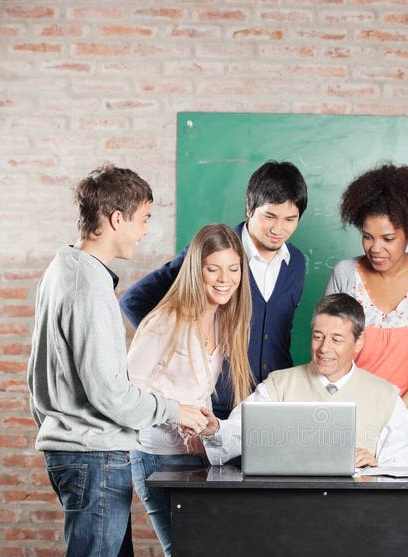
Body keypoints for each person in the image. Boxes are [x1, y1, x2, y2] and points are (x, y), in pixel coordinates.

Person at [27, 164, 208, 557]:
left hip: (76, 448)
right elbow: (108, 391)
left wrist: (60, 428)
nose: (144, 234)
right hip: (94, 454)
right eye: (143, 220)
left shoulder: (63, 270)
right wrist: (171, 409)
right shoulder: (88, 284)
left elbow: (42, 381)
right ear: (115, 217)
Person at [126, 223, 253, 557]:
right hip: (155, 455)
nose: (224, 279)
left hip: (196, 457)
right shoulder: (164, 321)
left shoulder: (223, 320)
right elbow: (129, 396)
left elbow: (195, 394)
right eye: (213, 269)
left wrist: (210, 429)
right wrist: (179, 421)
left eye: (233, 270)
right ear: (195, 271)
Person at [120, 160, 308, 418]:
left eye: (290, 219)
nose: (279, 229)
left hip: (270, 406)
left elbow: (279, 332)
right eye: (270, 216)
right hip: (215, 405)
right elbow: (134, 300)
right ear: (249, 208)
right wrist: (181, 349)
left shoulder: (296, 263)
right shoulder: (213, 251)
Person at [201, 293, 408, 469]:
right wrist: (216, 429)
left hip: (358, 510)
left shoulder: (386, 396)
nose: (324, 348)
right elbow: (238, 432)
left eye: (336, 339)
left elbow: (404, 468)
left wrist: (376, 466)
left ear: (358, 341)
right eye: (318, 336)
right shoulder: (278, 385)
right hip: (288, 505)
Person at [324, 163, 408, 462]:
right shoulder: (345, 274)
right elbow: (328, 349)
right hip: (353, 420)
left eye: (388, 239)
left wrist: (395, 415)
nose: (375, 248)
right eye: (367, 236)